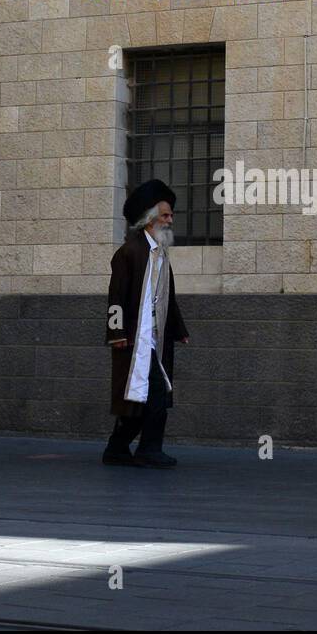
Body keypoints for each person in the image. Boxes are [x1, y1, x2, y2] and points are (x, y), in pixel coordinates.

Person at [103, 179, 190, 468]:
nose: (170, 219)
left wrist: (179, 330)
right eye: (165, 215)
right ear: (149, 219)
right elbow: (115, 298)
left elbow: (168, 298)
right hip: (133, 340)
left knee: (141, 398)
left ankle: (116, 449)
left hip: (157, 338)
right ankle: (149, 450)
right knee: (154, 393)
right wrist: (116, 333)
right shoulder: (129, 253)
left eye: (170, 215)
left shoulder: (161, 255)